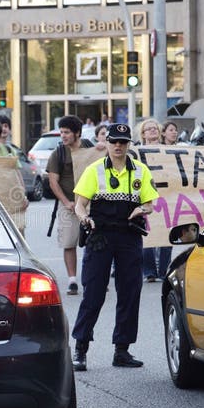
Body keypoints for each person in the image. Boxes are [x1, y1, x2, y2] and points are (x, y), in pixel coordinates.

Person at [72, 122, 159, 370]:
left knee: (130, 293)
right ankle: (80, 349)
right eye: (114, 141)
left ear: (129, 144)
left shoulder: (141, 171)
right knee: (94, 293)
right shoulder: (94, 170)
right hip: (101, 237)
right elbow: (80, 204)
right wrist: (84, 218)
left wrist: (140, 209)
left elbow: (150, 205)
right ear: (107, 143)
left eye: (123, 142)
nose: (118, 146)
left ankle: (122, 350)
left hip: (129, 238)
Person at [46, 114, 93, 296]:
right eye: (62, 132)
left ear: (77, 133)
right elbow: (53, 182)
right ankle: (72, 280)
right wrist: (66, 202)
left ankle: (92, 278)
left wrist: (102, 147)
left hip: (90, 204)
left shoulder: (89, 146)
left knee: (93, 243)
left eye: (67, 132)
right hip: (69, 205)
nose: (63, 136)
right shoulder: (58, 153)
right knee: (69, 242)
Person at [137, 119, 168, 282]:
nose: (152, 131)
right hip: (146, 196)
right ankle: (149, 271)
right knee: (147, 233)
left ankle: (164, 270)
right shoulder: (137, 152)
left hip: (166, 197)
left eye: (155, 128)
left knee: (166, 231)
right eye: (148, 129)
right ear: (143, 134)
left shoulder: (168, 151)